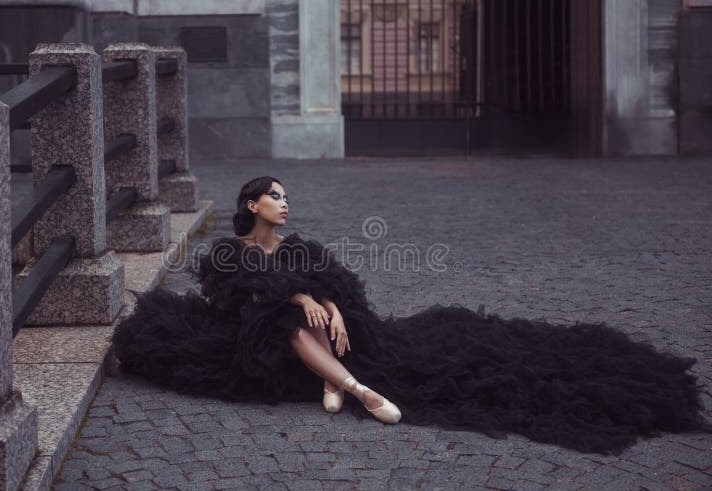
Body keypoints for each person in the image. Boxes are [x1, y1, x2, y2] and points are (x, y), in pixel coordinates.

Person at [112, 176, 709, 454]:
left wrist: (332, 303)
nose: (285, 203)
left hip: (309, 341)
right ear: (251, 205)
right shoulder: (228, 249)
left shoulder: (300, 247)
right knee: (286, 318)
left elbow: (332, 282)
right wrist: (302, 299)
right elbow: (239, 293)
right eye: (276, 196)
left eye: (288, 197)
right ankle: (359, 391)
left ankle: (333, 378)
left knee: (329, 318)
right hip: (251, 344)